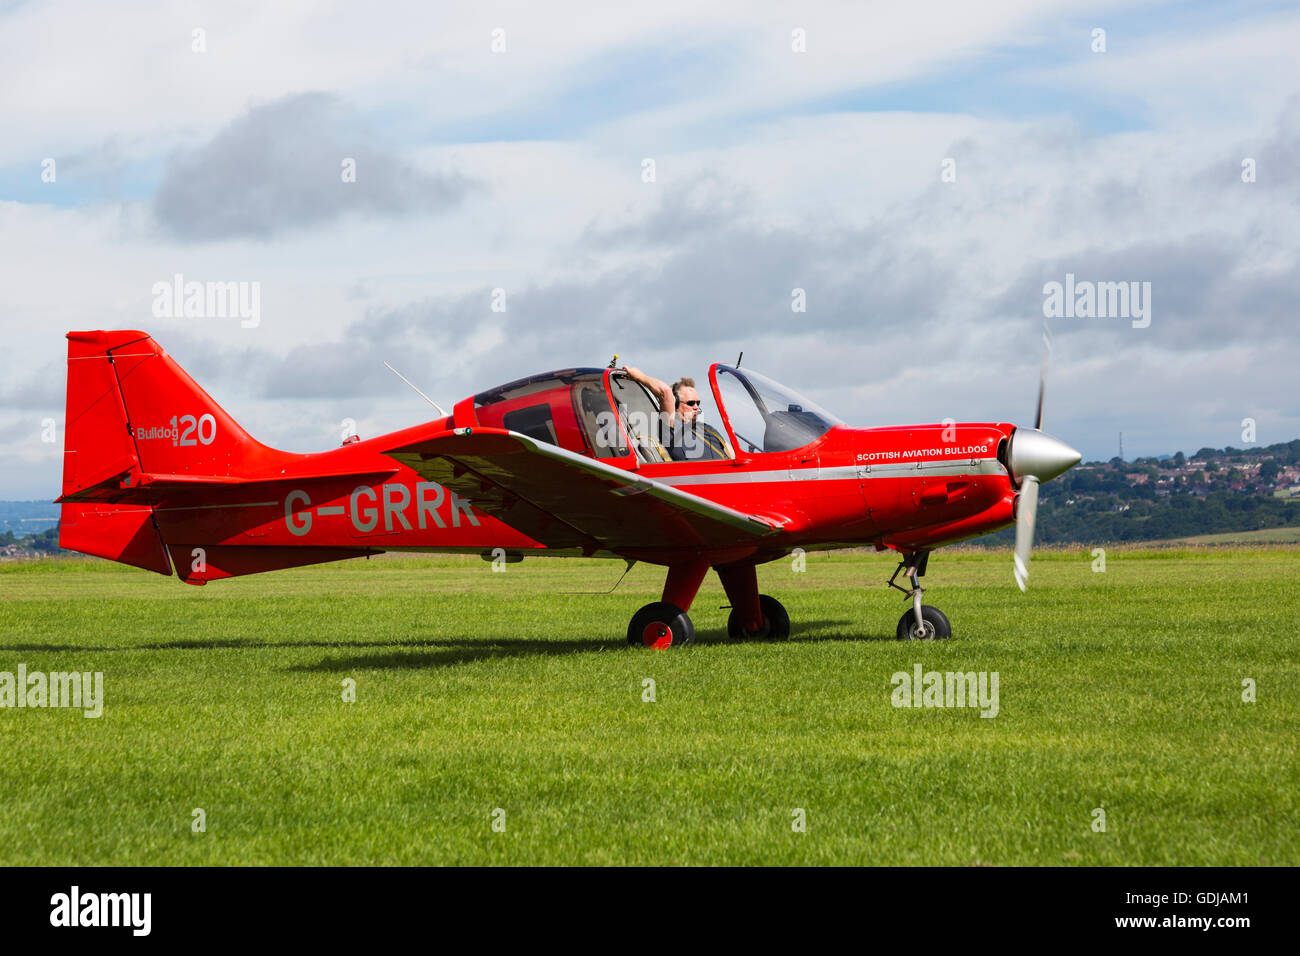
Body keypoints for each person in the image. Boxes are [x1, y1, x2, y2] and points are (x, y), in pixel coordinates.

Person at [621, 367, 731, 461]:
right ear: (676, 403)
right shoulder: (670, 430)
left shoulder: (709, 430)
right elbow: (665, 392)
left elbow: (733, 455)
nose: (696, 407)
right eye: (691, 403)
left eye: (698, 403)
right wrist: (640, 376)